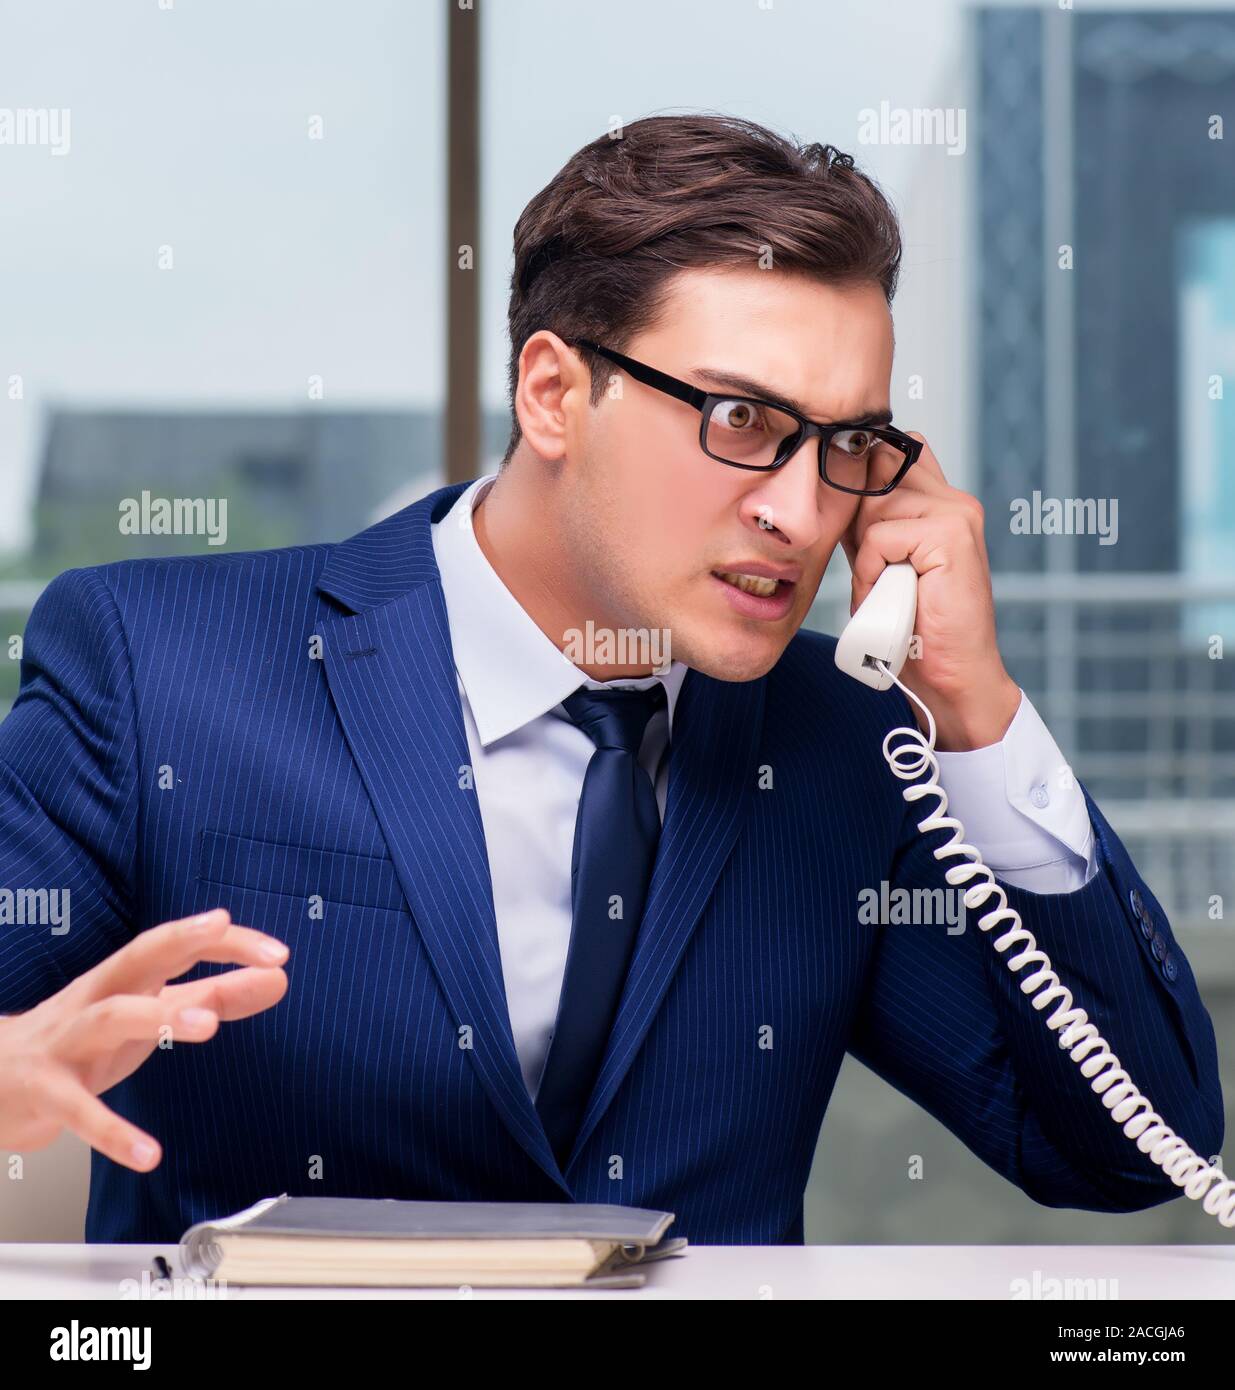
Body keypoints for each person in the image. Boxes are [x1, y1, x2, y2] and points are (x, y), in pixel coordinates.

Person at [0, 114, 1221, 1243]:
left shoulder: (844, 744)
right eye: (741, 419)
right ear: (552, 394)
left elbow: (1125, 1150)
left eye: (845, 444)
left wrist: (978, 717)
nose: (799, 513)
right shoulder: (156, 667)